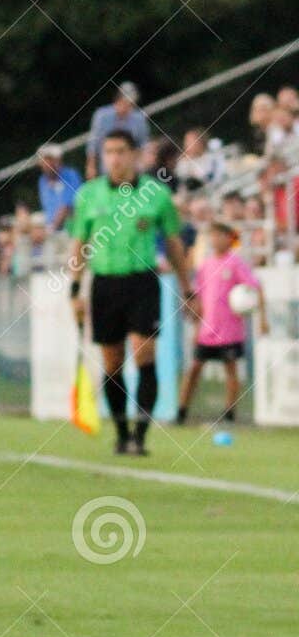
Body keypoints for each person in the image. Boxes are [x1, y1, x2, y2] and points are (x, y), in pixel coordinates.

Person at [68, 129, 197, 456]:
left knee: (143, 353)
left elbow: (173, 243)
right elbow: (79, 244)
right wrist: (74, 288)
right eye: (108, 151)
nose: (114, 158)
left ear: (135, 154)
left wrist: (187, 287)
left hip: (142, 281)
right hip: (105, 283)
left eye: (121, 151)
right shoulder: (88, 195)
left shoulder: (156, 194)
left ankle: (141, 433)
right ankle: (122, 433)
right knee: (112, 362)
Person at [177, 222, 268, 425]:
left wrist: (262, 319)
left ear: (229, 238)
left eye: (220, 235)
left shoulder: (235, 263)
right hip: (206, 331)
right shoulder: (206, 265)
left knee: (231, 371)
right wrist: (195, 323)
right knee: (193, 369)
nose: (216, 239)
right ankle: (181, 411)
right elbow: (199, 298)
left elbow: (256, 287)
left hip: (230, 331)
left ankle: (229, 414)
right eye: (213, 235)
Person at [86, 82, 149, 178]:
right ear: (118, 100)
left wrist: (141, 164)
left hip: (132, 167)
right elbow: (93, 143)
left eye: (131, 104)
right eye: (125, 103)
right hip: (107, 166)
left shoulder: (139, 118)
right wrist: (91, 166)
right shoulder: (102, 115)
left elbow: (143, 144)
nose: (128, 107)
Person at [37, 145, 81, 230]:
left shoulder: (70, 175)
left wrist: (51, 229)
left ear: (58, 160)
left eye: (50, 159)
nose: (47, 163)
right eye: (44, 160)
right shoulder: (42, 181)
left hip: (71, 227)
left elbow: (67, 207)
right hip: (51, 228)